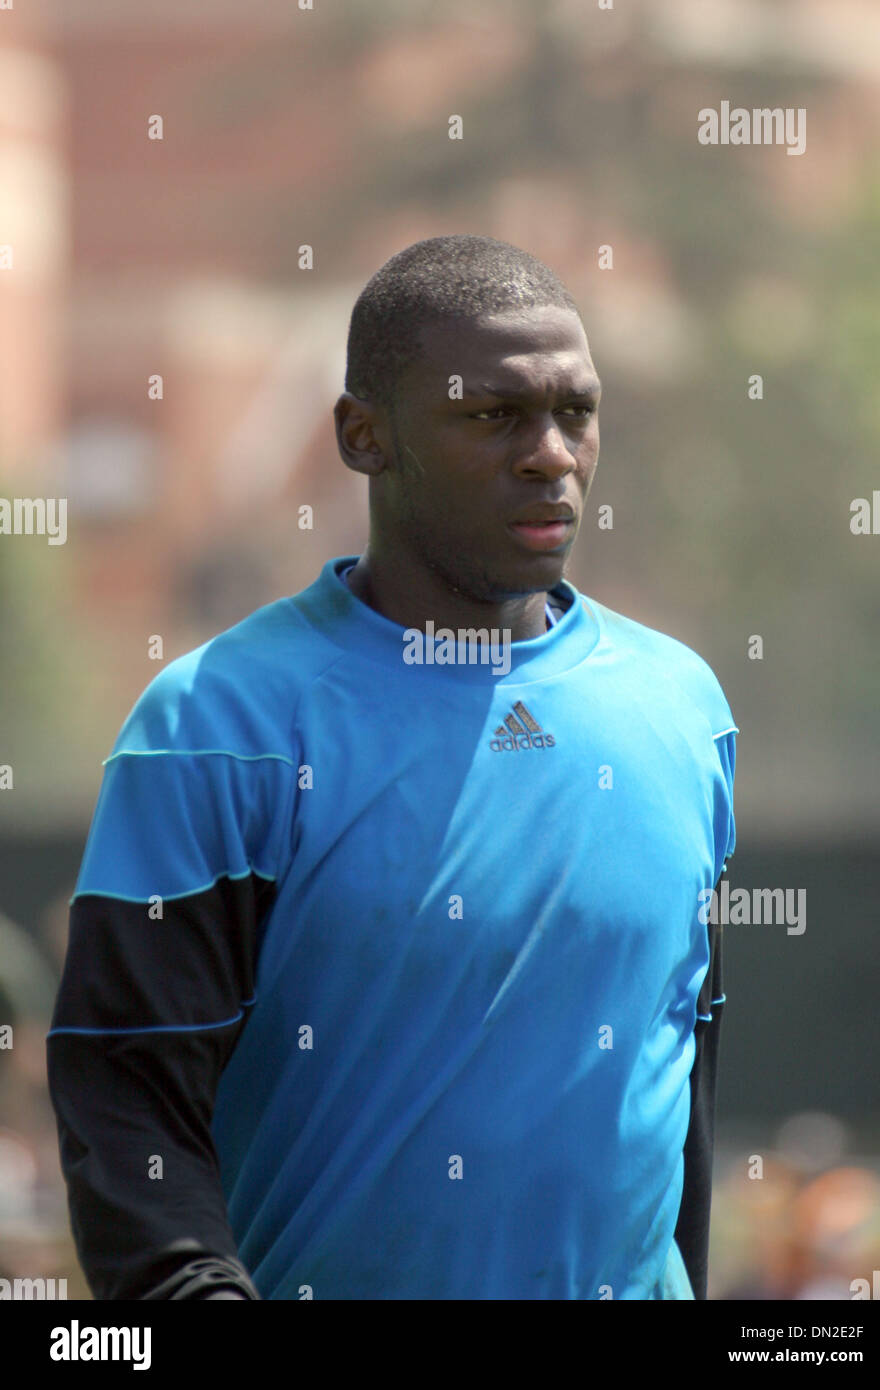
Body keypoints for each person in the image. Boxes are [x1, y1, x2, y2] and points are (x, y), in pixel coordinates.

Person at [47, 234, 737, 1301]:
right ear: (362, 435)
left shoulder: (684, 709)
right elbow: (127, 1097)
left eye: (575, 411)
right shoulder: (216, 722)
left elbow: (672, 1084)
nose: (551, 453)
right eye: (491, 415)